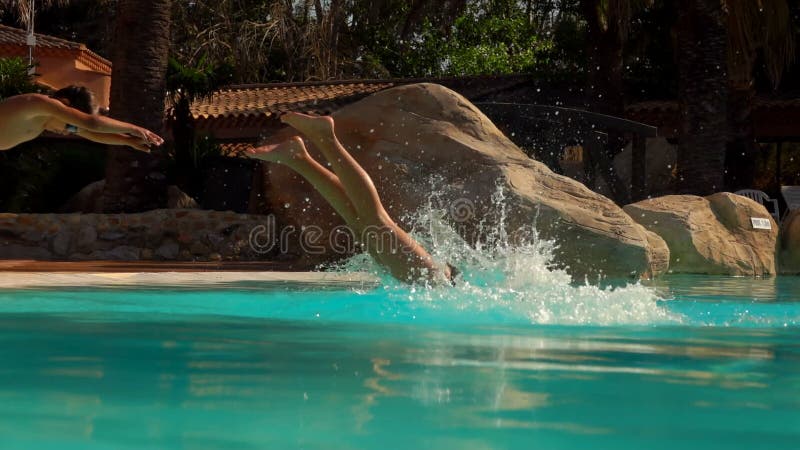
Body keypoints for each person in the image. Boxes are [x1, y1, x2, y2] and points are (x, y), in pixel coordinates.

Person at [248, 112, 456, 285]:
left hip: (443, 284)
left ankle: (299, 158)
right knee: (376, 220)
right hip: (440, 283)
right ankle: (326, 137)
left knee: (360, 224)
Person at [0, 85, 163, 152]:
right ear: (64, 104)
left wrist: (127, 141)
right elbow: (91, 124)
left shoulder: (48, 120)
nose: (66, 131)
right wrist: (134, 129)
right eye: (70, 124)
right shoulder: (39, 104)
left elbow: (90, 133)